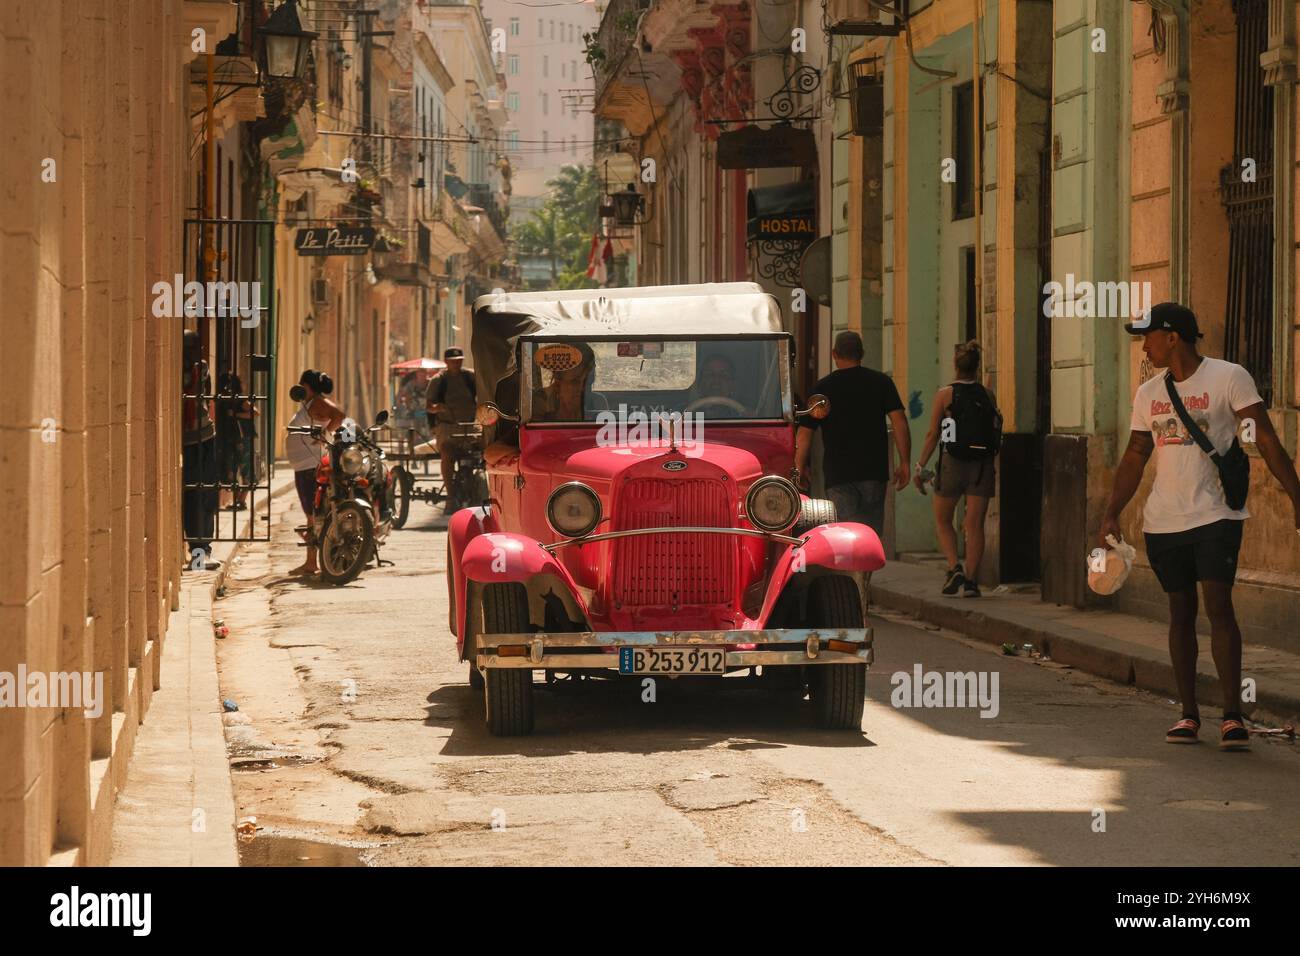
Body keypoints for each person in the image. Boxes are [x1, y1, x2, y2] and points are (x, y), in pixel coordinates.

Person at [1100, 302, 1300, 750]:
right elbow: (1135, 454)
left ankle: (1232, 715)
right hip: (1163, 520)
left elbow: (1264, 437)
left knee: (1219, 606)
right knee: (1180, 612)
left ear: (1173, 337)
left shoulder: (1229, 376)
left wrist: (1295, 495)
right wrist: (1111, 512)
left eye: (1149, 335)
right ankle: (1188, 714)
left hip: (1216, 515)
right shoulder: (1148, 392)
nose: (1144, 344)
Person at [795, 330, 910, 533]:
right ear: (862, 353)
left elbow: (805, 434)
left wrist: (799, 467)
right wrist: (905, 462)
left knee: (845, 532)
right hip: (873, 471)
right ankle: (865, 566)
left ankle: (851, 565)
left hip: (839, 473)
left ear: (834, 354)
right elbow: (899, 422)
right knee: (869, 533)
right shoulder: (882, 383)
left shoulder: (823, 389)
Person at [913, 341, 1002, 598]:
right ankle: (972, 583)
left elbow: (933, 434)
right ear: (977, 366)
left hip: (952, 462)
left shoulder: (944, 394)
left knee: (942, 520)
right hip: (981, 465)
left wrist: (920, 466)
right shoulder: (988, 394)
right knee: (974, 525)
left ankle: (955, 567)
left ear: (955, 366)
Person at [286, 369, 347, 575]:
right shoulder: (310, 404)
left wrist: (324, 433)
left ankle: (313, 562)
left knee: (313, 515)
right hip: (304, 466)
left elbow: (339, 415)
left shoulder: (318, 402)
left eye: (302, 385)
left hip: (310, 466)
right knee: (312, 515)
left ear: (308, 387)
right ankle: (314, 559)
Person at [181, 329, 218, 565]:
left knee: (206, 495)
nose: (198, 351)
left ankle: (203, 550)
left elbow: (207, 394)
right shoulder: (182, 372)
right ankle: (198, 555)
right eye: (193, 346)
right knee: (196, 496)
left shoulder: (201, 367)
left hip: (205, 436)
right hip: (190, 440)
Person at [426, 347, 478, 509]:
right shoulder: (438, 380)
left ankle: (480, 489)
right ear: (446, 362)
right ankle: (450, 495)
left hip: (470, 425)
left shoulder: (470, 377)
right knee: (447, 454)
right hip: (447, 427)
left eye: (459, 360)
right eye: (453, 361)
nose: (457, 363)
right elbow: (428, 406)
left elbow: (482, 395)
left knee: (483, 452)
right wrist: (437, 408)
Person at [216, 371, 258, 511]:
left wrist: (236, 414)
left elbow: (255, 413)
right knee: (230, 469)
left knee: (245, 469)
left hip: (243, 438)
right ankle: (238, 499)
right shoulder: (224, 399)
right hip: (230, 438)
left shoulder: (240, 399)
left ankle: (242, 500)